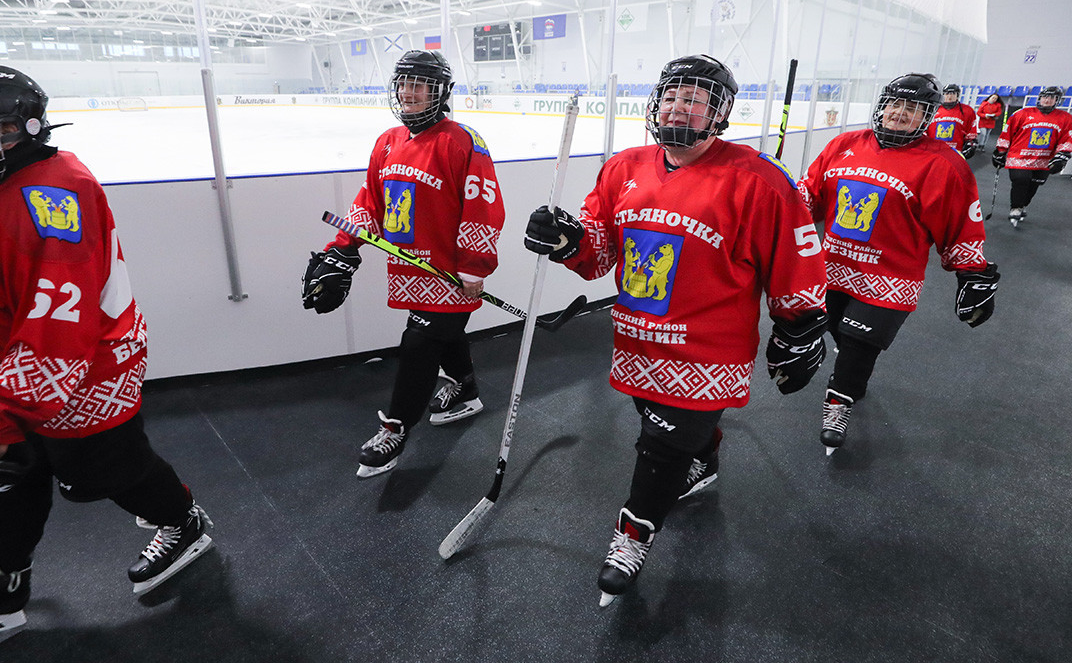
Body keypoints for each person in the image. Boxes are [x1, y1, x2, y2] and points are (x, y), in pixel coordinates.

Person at [0, 64, 212, 645]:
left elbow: (56, 329)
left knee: (105, 469)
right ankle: (1, 588)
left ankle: (182, 520)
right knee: (14, 474)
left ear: (8, 129)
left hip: (82, 371)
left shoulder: (55, 198)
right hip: (21, 372)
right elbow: (6, 261)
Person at [523, 54, 829, 607]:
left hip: (710, 348)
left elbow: (796, 259)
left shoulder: (761, 180)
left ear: (719, 114)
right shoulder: (624, 167)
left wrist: (798, 326)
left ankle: (633, 532)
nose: (679, 107)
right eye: (671, 96)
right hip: (638, 336)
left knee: (660, 445)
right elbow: (599, 251)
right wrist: (566, 238)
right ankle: (703, 461)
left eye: (695, 99)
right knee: (660, 422)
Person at [302, 50, 505, 478]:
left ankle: (395, 429)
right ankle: (466, 391)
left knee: (419, 343)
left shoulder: (463, 142)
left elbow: (482, 207)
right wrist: (344, 248)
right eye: (404, 83)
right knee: (444, 336)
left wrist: (474, 267)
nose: (409, 92)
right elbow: (371, 202)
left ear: (441, 91)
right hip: (410, 269)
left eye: (421, 84)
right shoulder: (388, 141)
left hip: (450, 273)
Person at [797, 73, 1000, 456]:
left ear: (927, 116)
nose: (900, 113)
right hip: (833, 268)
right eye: (895, 104)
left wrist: (971, 273)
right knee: (840, 334)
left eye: (912, 108)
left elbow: (961, 223)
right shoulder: (844, 145)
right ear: (882, 106)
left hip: (890, 277)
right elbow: (812, 194)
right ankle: (853, 378)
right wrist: (785, 207)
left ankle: (838, 401)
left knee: (860, 341)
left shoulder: (944, 164)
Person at [992, 86, 1072, 228]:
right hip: (1019, 157)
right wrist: (1000, 151)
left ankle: (1022, 205)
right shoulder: (1022, 113)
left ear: (1057, 100)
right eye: (1044, 97)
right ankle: (1015, 208)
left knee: (1035, 184)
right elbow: (1007, 132)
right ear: (1039, 98)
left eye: (1051, 98)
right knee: (1021, 180)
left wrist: (1063, 155)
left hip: (1043, 160)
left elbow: (1066, 139)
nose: (1047, 100)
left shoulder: (1065, 118)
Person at [926, 84, 978, 159]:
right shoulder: (932, 109)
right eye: (947, 93)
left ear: (957, 95)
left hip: (955, 150)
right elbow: (924, 128)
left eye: (953, 93)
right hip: (933, 149)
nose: (949, 96)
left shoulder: (967, 111)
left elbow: (971, 129)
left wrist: (971, 142)